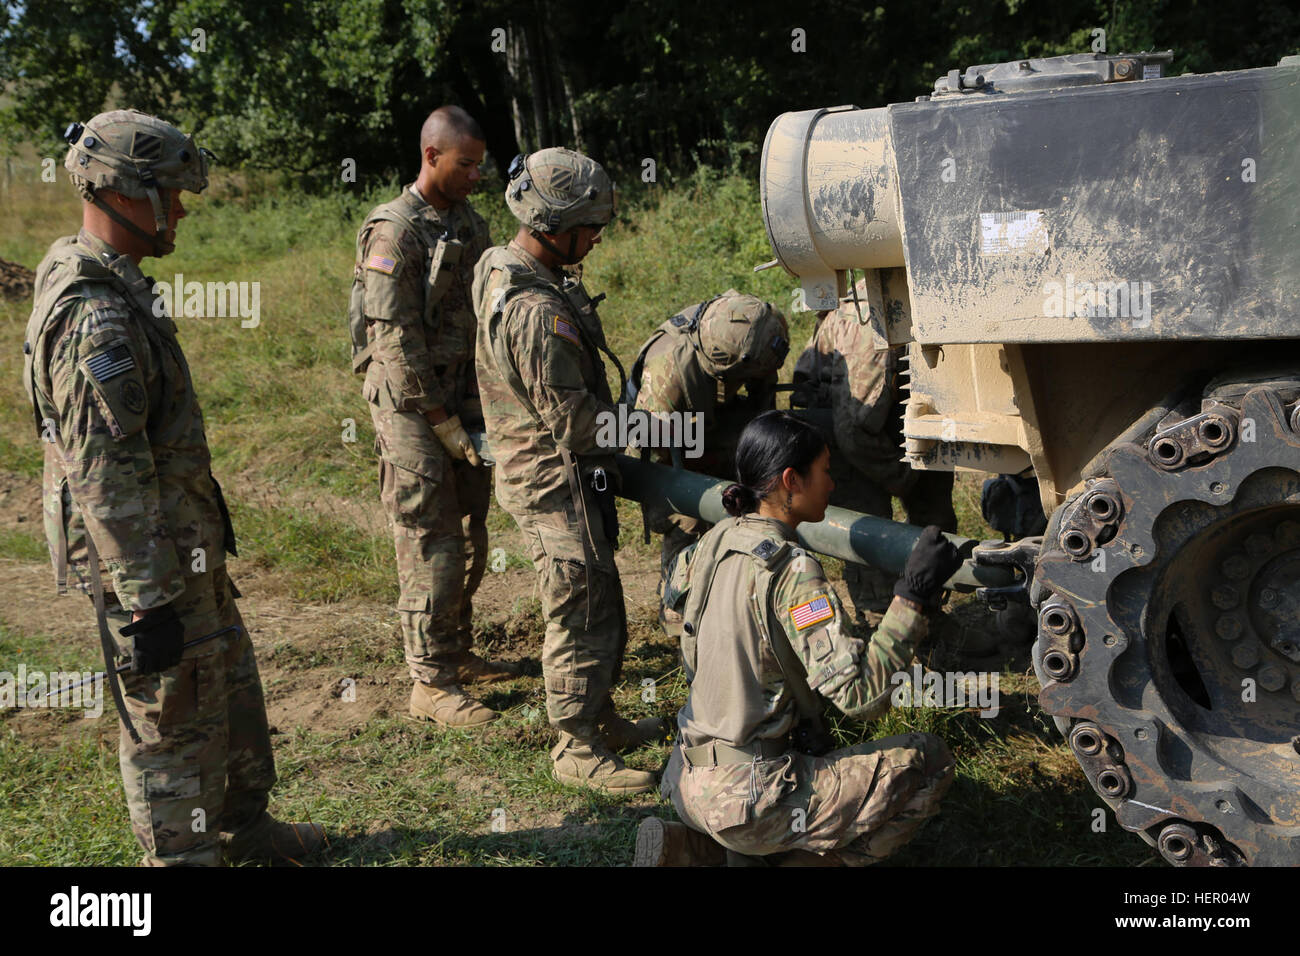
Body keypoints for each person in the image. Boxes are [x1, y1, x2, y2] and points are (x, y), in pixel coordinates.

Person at [22, 109, 323, 866]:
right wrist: (148, 598)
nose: (183, 208)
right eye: (172, 193)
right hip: (146, 560)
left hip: (178, 538)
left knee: (223, 676)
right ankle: (184, 858)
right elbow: (104, 471)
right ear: (127, 194)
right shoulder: (94, 317)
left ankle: (242, 826)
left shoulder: (116, 283)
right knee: (170, 714)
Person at [645, 410, 960, 865]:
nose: (832, 484)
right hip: (747, 797)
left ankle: (692, 849)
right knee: (928, 761)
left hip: (686, 777)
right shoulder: (791, 569)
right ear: (791, 480)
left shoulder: (715, 540)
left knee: (765, 798)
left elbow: (674, 595)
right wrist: (913, 597)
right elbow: (862, 697)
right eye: (825, 472)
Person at [472, 147, 664, 794]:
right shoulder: (534, 311)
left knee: (601, 595)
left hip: (562, 472)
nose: (599, 236)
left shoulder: (507, 265)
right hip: (553, 478)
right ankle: (575, 746)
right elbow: (578, 425)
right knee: (578, 603)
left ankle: (599, 712)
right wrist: (652, 430)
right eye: (591, 225)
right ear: (554, 225)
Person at [351, 105, 514, 729]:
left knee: (471, 523)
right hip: (409, 402)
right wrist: (438, 416)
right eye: (466, 164)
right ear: (431, 156)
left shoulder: (470, 225)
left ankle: (456, 650)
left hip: (461, 398)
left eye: (479, 164)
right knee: (429, 534)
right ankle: (430, 681)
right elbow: (392, 339)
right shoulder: (393, 232)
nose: (477, 175)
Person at [792, 273, 958, 626]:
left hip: (892, 419)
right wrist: (902, 479)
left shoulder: (928, 289)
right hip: (844, 434)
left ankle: (926, 616)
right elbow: (852, 432)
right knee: (870, 534)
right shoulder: (875, 319)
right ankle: (879, 632)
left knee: (936, 518)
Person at [626, 290, 789, 636]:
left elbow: (764, 401)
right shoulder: (667, 372)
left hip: (709, 422)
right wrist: (706, 469)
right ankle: (676, 605)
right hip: (667, 441)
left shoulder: (761, 328)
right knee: (687, 515)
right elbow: (649, 449)